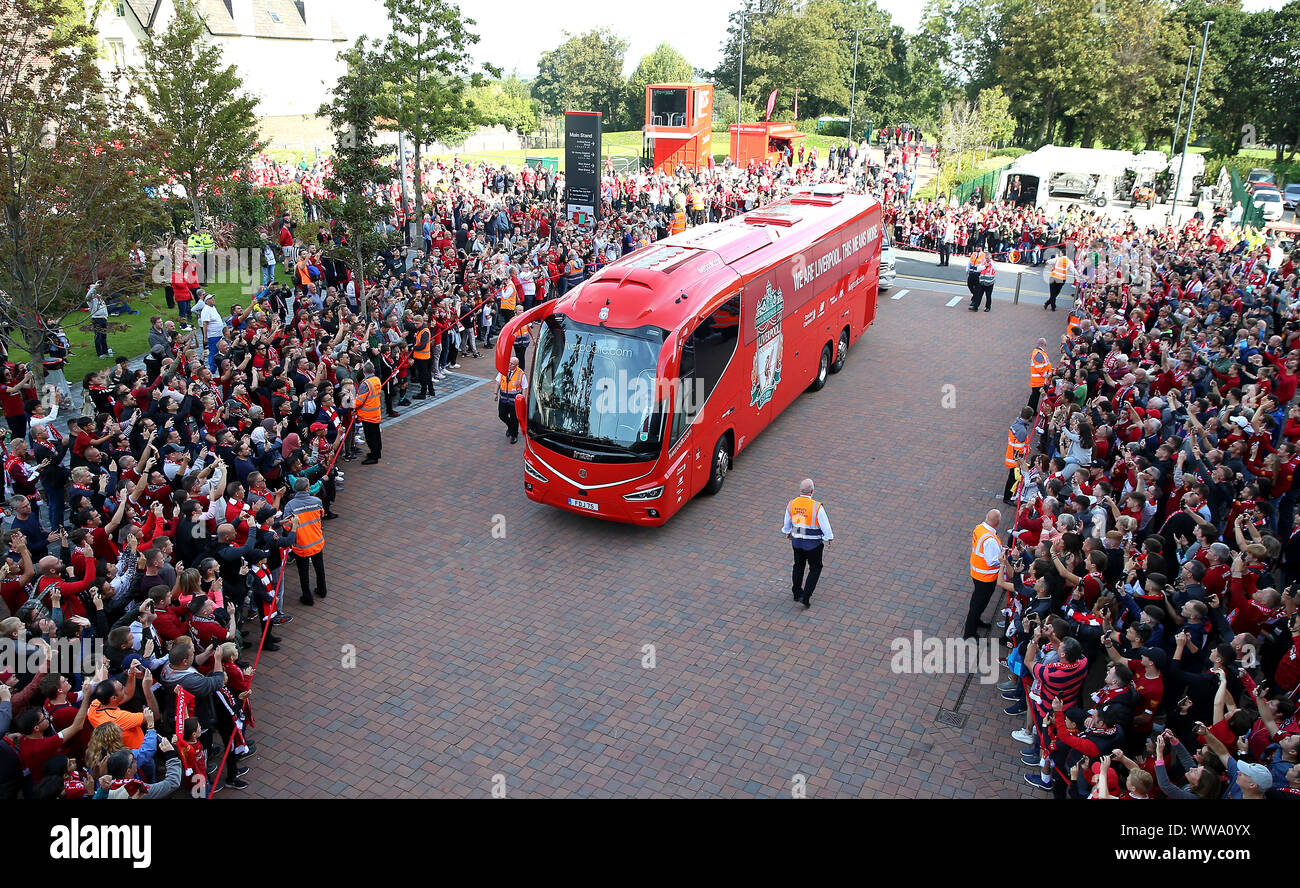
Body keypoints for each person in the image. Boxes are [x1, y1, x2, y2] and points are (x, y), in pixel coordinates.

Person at [782, 478, 833, 609]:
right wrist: (829, 538)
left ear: (801, 491)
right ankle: (806, 596)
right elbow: (825, 525)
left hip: (797, 542)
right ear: (812, 491)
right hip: (813, 545)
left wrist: (788, 532)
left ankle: (796, 592)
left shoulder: (792, 504)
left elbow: (787, 522)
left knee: (798, 566)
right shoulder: (816, 507)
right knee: (815, 568)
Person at [963, 509, 1002, 638]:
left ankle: (975, 621)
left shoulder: (980, 528)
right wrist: (1003, 558)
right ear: (997, 522)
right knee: (979, 603)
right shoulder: (990, 539)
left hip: (978, 572)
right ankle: (969, 633)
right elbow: (992, 561)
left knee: (977, 601)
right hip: (985, 576)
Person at [494, 355, 527, 444]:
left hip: (514, 401)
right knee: (502, 415)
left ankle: (514, 435)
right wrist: (495, 393)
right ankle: (510, 427)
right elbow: (498, 381)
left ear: (516, 365)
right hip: (504, 399)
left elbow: (524, 387)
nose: (509, 365)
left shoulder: (521, 374)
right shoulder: (503, 370)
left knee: (514, 418)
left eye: (512, 364)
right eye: (509, 362)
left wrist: (522, 400)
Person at [1003, 407, 1033, 504]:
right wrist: (1021, 461)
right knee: (1013, 478)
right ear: (1030, 417)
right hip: (1015, 461)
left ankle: (1008, 496)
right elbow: (1019, 449)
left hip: (1011, 457)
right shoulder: (1022, 430)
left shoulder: (1016, 424)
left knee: (1012, 477)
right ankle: (1008, 497)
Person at [356, 361, 383, 465]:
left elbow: (358, 401)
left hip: (367, 415)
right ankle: (377, 452)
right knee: (376, 435)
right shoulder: (376, 379)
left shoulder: (365, 384)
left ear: (363, 372)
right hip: (375, 412)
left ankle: (374, 456)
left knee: (370, 437)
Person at [1028, 338, 1053, 412]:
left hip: (1039, 380)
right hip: (1039, 381)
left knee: (1035, 397)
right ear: (1044, 344)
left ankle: (1032, 411)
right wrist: (1047, 375)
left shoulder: (1038, 353)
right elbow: (1039, 368)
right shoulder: (1039, 354)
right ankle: (1031, 411)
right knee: (1034, 397)